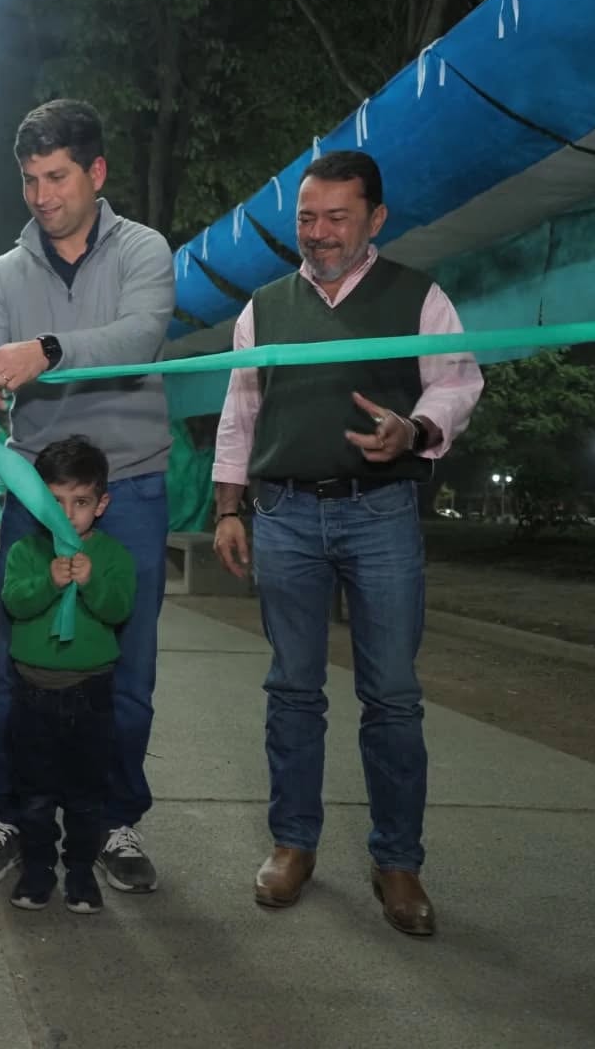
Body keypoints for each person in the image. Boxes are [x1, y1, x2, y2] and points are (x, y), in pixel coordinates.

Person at [211, 150, 483, 936]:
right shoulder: (262, 307)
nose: (320, 234)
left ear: (375, 219)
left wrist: (415, 428)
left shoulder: (419, 297)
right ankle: (292, 844)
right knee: (292, 690)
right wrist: (229, 508)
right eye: (307, 218)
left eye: (337, 218)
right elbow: (241, 411)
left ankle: (398, 862)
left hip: (380, 514)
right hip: (287, 515)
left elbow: (458, 383)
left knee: (392, 696)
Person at [0, 99, 175, 894]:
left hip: (134, 489)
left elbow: (141, 334)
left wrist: (44, 350)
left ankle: (113, 822)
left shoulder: (145, 252)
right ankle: (8, 811)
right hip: (32, 495)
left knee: (129, 667)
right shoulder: (4, 274)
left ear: (97, 172)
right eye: (29, 180)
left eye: (56, 177)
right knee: (18, 663)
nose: (42, 196)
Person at [1, 437, 136, 915]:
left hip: (91, 693)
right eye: (55, 502)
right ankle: (37, 871)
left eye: (80, 502)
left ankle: (80, 873)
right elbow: (15, 602)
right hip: (32, 692)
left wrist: (90, 580)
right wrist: (50, 581)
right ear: (37, 500)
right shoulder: (24, 552)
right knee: (34, 793)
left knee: (86, 794)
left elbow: (119, 609)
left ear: (101, 505)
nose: (68, 513)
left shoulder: (115, 556)